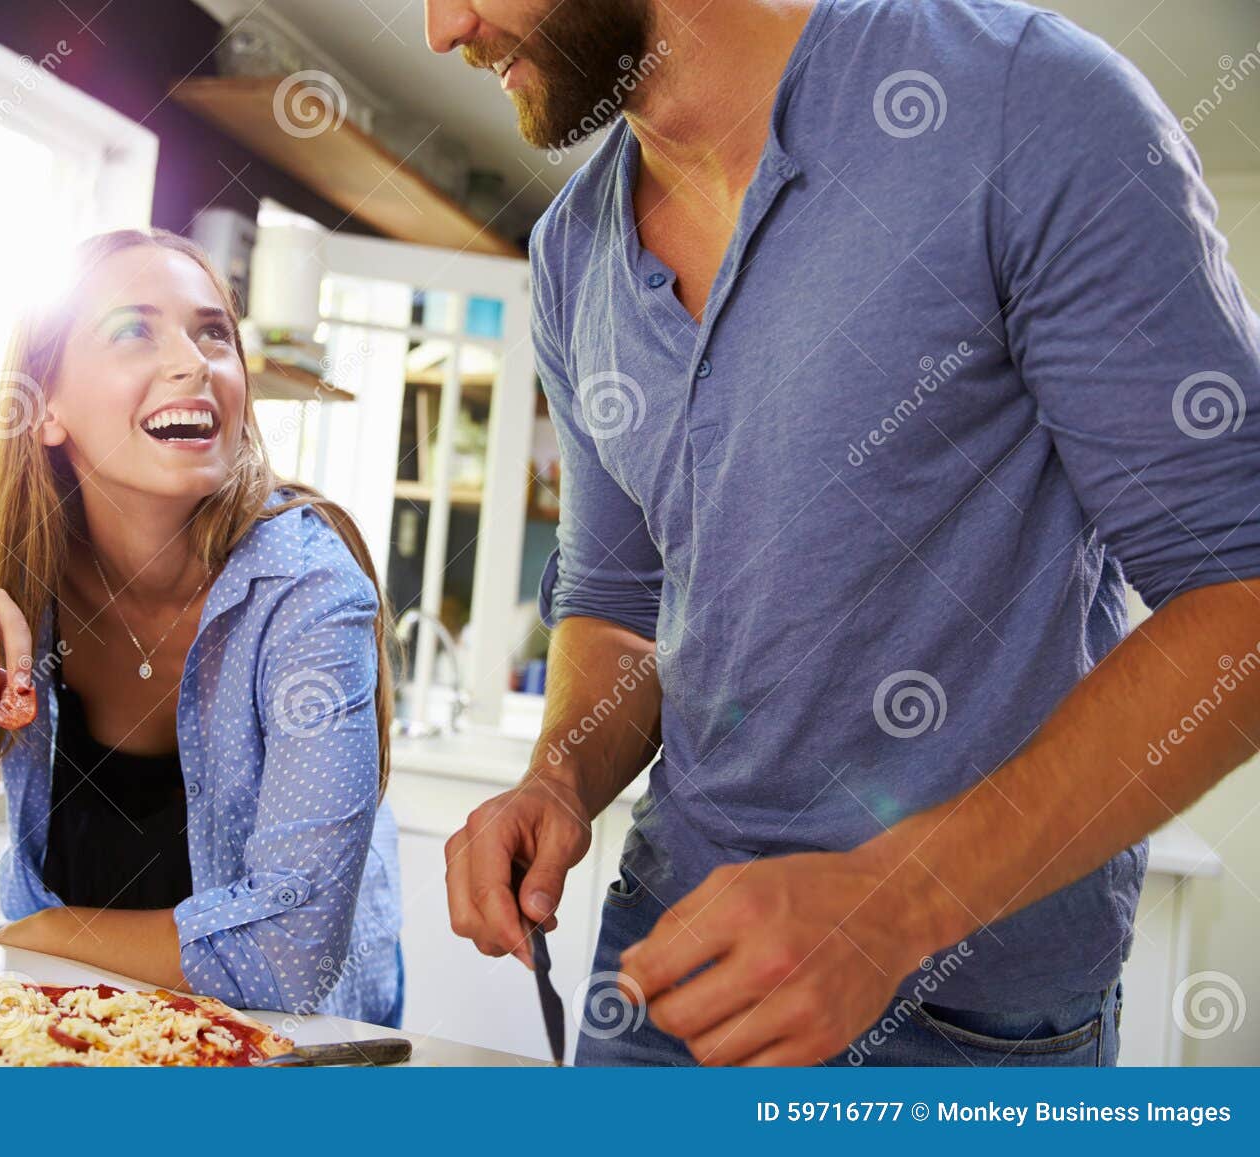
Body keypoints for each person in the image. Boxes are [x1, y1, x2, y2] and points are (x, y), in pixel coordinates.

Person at [429, 0, 1260, 1065]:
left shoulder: (1028, 102)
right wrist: (557, 774)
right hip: (665, 968)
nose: (442, 30)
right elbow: (618, 606)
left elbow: (1236, 593)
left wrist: (894, 906)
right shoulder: (567, 253)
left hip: (964, 1018)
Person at [0, 228, 403, 1026]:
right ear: (44, 406)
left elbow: (288, 954)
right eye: (134, 330)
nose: (195, 362)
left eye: (212, 331)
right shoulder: (5, 574)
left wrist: (48, 934)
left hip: (280, 1051)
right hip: (71, 1029)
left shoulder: (306, 587)